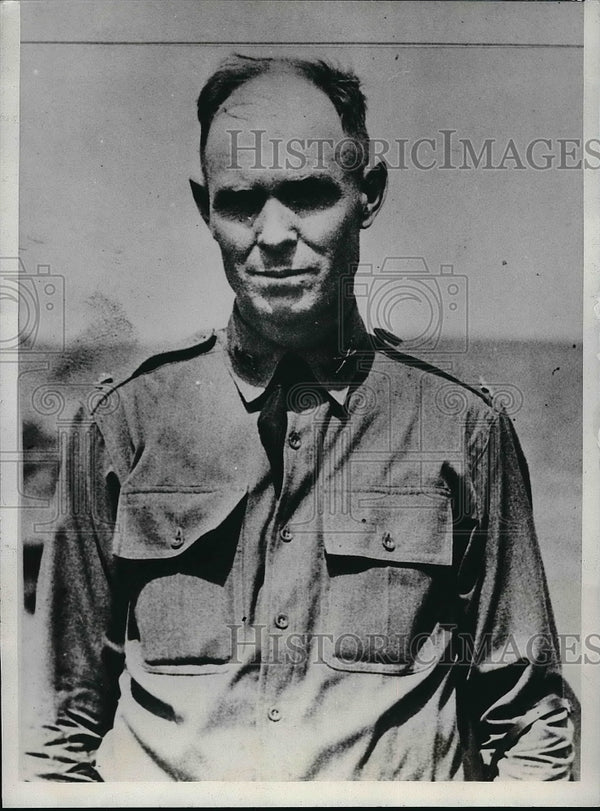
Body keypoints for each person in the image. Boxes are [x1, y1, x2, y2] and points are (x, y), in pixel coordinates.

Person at [27, 54, 574, 782]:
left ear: (368, 194)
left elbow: (530, 723)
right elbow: (60, 729)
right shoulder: (118, 426)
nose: (275, 232)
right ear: (205, 209)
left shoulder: (462, 428)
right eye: (242, 201)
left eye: (310, 194)